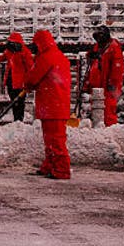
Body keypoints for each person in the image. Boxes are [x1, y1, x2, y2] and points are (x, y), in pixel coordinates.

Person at [24, 29, 72, 180]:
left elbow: (33, 78)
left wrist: (27, 85)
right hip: (57, 103)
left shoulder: (46, 57)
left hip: (52, 104)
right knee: (52, 138)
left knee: (55, 139)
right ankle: (50, 166)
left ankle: (61, 169)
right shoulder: (58, 55)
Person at [0, 32, 33, 123]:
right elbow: (3, 57)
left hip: (20, 82)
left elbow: (30, 67)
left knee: (19, 102)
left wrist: (29, 81)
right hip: (11, 81)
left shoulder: (25, 52)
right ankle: (16, 120)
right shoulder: (9, 52)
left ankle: (19, 120)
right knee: (14, 101)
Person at [87, 25, 124, 127]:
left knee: (108, 108)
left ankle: (109, 128)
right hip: (98, 84)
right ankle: (99, 126)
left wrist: (113, 83)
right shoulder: (99, 46)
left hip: (108, 85)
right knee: (97, 108)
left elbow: (117, 68)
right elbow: (91, 58)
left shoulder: (113, 48)